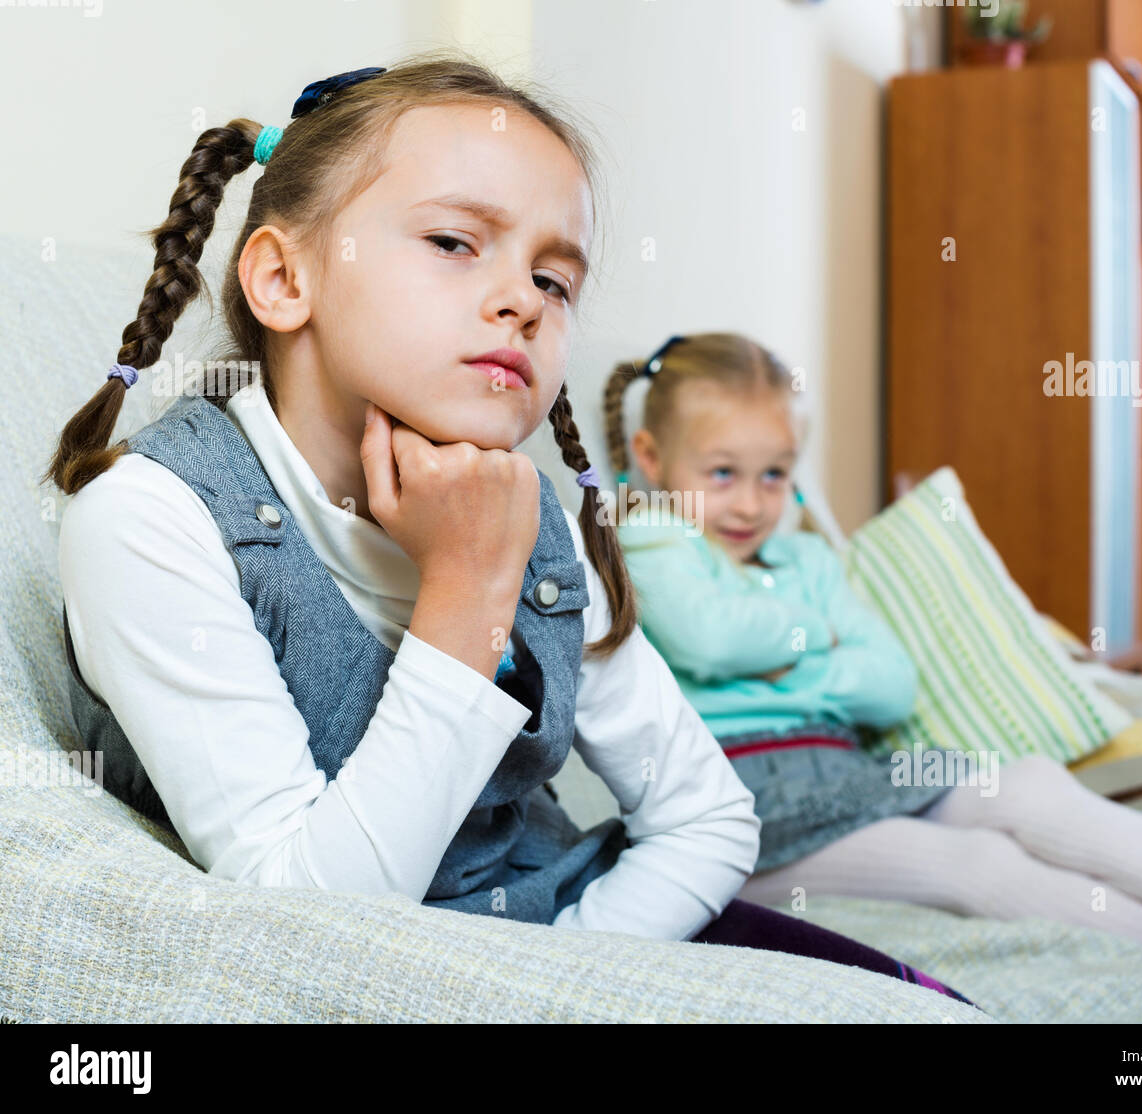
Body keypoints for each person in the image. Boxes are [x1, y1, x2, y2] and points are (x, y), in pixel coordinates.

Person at [46, 54, 974, 1006]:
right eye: (455, 241)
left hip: (574, 930)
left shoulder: (540, 521)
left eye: (553, 278)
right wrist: (465, 589)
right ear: (284, 280)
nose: (524, 299)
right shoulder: (153, 520)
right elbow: (307, 930)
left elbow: (707, 817)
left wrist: (571, 974)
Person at [607, 331, 1142, 984]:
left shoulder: (808, 558)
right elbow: (711, 637)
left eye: (775, 476)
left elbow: (891, 686)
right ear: (650, 458)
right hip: (738, 808)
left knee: (1025, 784)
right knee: (976, 863)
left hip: (847, 772)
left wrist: (790, 659)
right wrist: (818, 635)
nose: (752, 504)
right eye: (723, 473)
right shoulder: (652, 539)